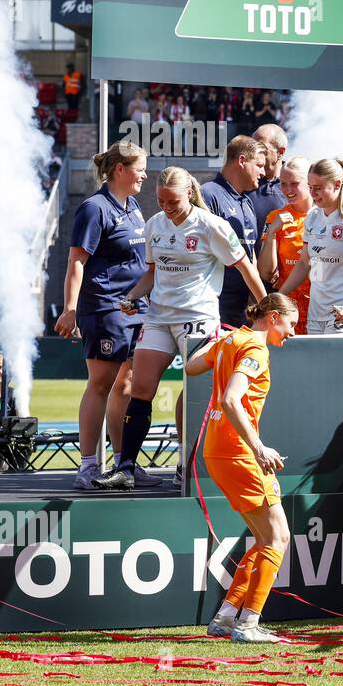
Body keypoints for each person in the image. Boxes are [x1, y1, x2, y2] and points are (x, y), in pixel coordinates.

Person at [93, 167, 266, 490]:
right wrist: (132, 296)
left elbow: (245, 267)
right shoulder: (154, 225)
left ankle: (187, 464)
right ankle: (126, 468)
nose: (167, 207)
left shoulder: (211, 225)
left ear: (189, 193)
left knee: (195, 390)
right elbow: (152, 273)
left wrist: (267, 306)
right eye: (161, 201)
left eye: (172, 201)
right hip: (159, 316)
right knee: (139, 388)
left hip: (198, 316)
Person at [188, 293, 297, 643]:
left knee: (264, 538)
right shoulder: (255, 348)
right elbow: (231, 398)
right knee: (278, 536)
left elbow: (190, 366)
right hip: (238, 452)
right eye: (291, 323)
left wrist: (217, 341)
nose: (292, 332)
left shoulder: (231, 340)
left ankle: (225, 617)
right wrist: (258, 446)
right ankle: (248, 624)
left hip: (217, 450)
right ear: (274, 317)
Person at [54, 141, 153, 490]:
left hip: (135, 309)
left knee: (125, 386)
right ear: (120, 170)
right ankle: (87, 465)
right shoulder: (94, 208)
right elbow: (76, 261)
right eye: (140, 167)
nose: (144, 174)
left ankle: (123, 463)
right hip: (105, 308)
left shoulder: (134, 205)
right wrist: (70, 309)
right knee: (100, 385)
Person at [278, 158, 343, 335]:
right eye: (310, 187)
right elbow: (303, 264)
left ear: (337, 184)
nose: (313, 193)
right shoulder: (313, 217)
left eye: (318, 187)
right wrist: (280, 294)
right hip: (316, 314)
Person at [201, 136, 264, 329]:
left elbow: (250, 256)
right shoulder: (207, 195)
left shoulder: (246, 201)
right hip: (215, 310)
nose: (263, 172)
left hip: (243, 310)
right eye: (259, 165)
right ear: (242, 161)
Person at [258, 157, 311, 337]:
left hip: (323, 306)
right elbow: (265, 272)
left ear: (309, 182)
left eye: (295, 183)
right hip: (289, 312)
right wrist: (272, 232)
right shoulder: (275, 217)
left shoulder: (324, 216)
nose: (288, 190)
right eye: (283, 183)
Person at [249, 124, 289, 250]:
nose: (255, 153)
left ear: (280, 151)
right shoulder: (245, 183)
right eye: (253, 147)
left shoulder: (298, 184)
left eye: (261, 148)